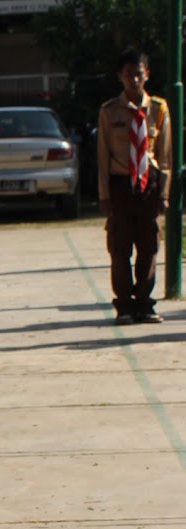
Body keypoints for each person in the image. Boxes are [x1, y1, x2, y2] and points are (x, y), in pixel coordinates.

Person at [98, 47, 171, 324]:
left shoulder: (159, 110)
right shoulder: (109, 112)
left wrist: (163, 193)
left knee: (149, 245)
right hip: (120, 185)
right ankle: (124, 305)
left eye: (138, 74)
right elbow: (103, 157)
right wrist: (105, 196)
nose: (134, 80)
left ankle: (144, 303)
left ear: (147, 75)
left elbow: (165, 157)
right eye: (128, 75)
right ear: (120, 77)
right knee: (119, 247)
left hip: (148, 186)